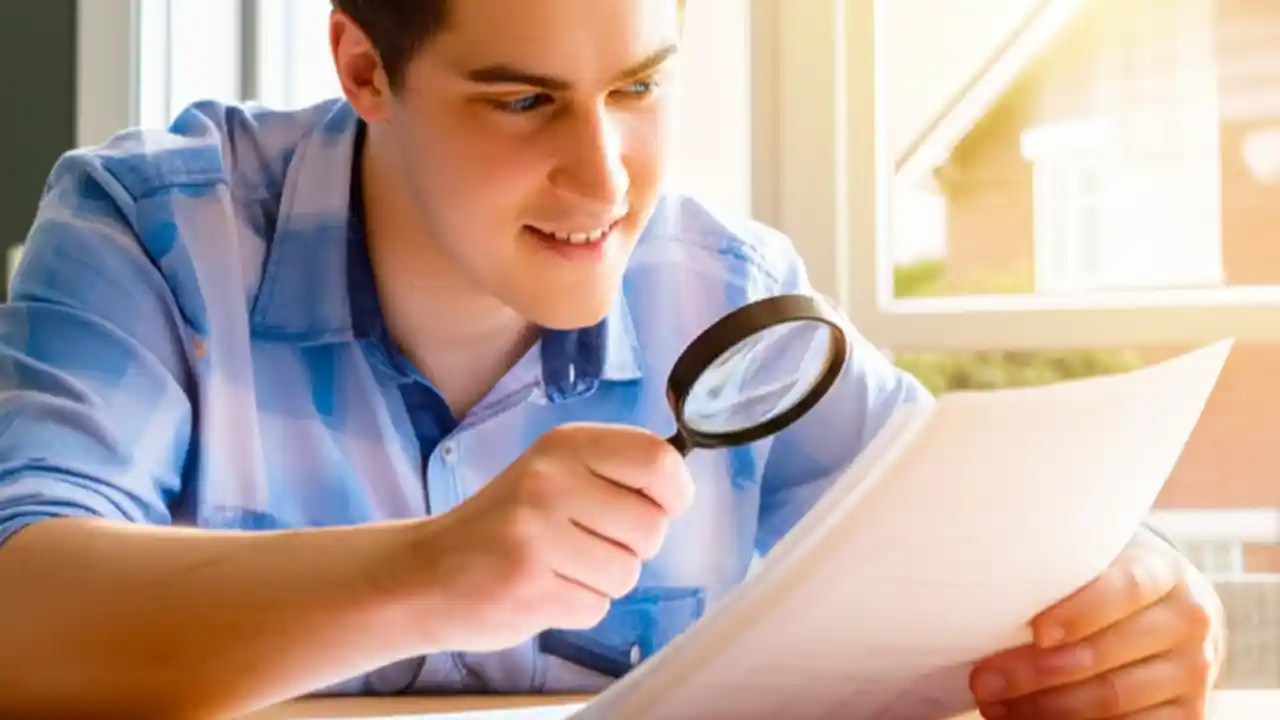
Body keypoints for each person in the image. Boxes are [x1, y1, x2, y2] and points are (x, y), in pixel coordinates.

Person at [0, 1, 1224, 717]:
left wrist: (1141, 613)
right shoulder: (152, 233)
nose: (605, 180)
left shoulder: (730, 294)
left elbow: (989, 550)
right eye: (521, 102)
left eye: (638, 88)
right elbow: (21, 616)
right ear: (365, 67)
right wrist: (428, 571)